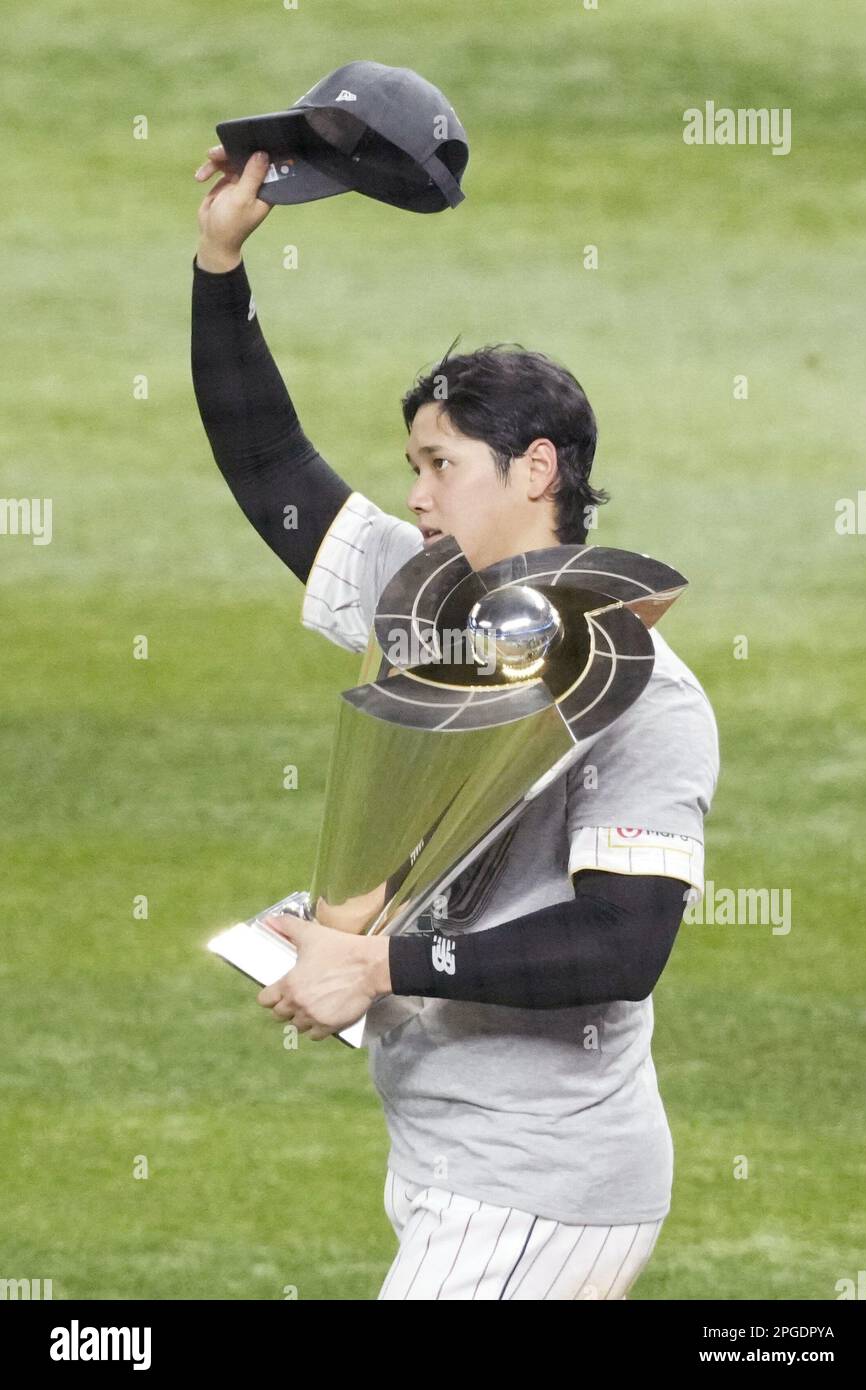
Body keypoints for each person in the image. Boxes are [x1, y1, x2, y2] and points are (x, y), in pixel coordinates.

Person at [191, 148, 720, 1300]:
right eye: (411, 467)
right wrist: (220, 255)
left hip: (540, 1184)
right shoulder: (421, 593)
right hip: (449, 1163)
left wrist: (379, 963)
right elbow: (269, 463)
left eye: (440, 465)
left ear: (536, 469)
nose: (417, 497)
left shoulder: (643, 688)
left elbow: (620, 947)